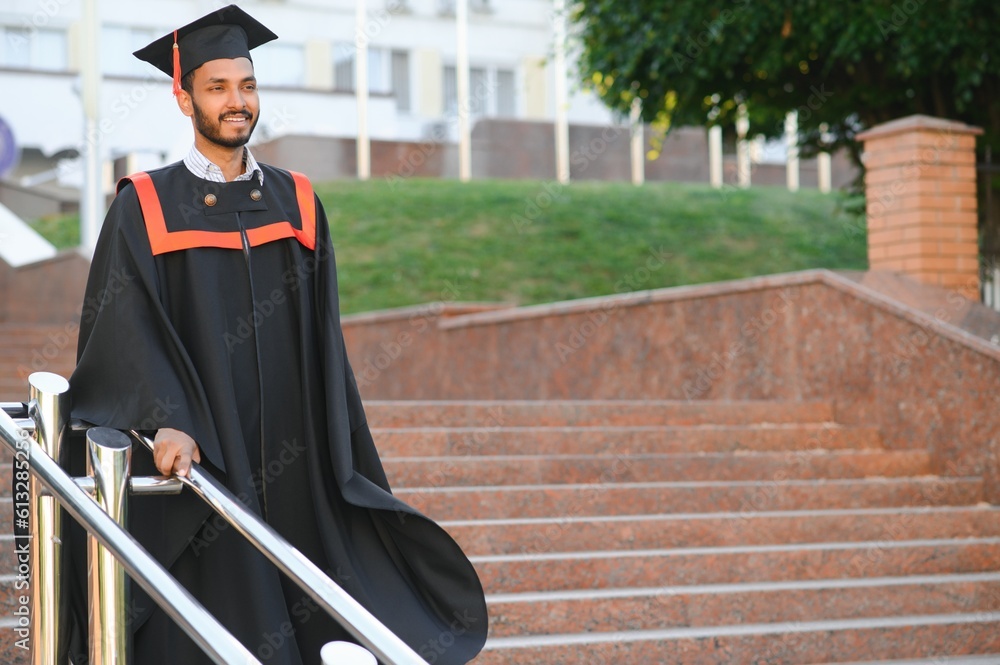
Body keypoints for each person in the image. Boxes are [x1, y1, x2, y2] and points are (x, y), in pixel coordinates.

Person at [66, 5, 488, 664]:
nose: (237, 102)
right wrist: (166, 419)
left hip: (296, 457)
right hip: (211, 454)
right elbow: (121, 334)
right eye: (218, 87)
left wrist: (333, 435)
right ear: (184, 99)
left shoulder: (297, 203)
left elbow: (324, 335)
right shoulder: (144, 205)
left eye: (248, 85)